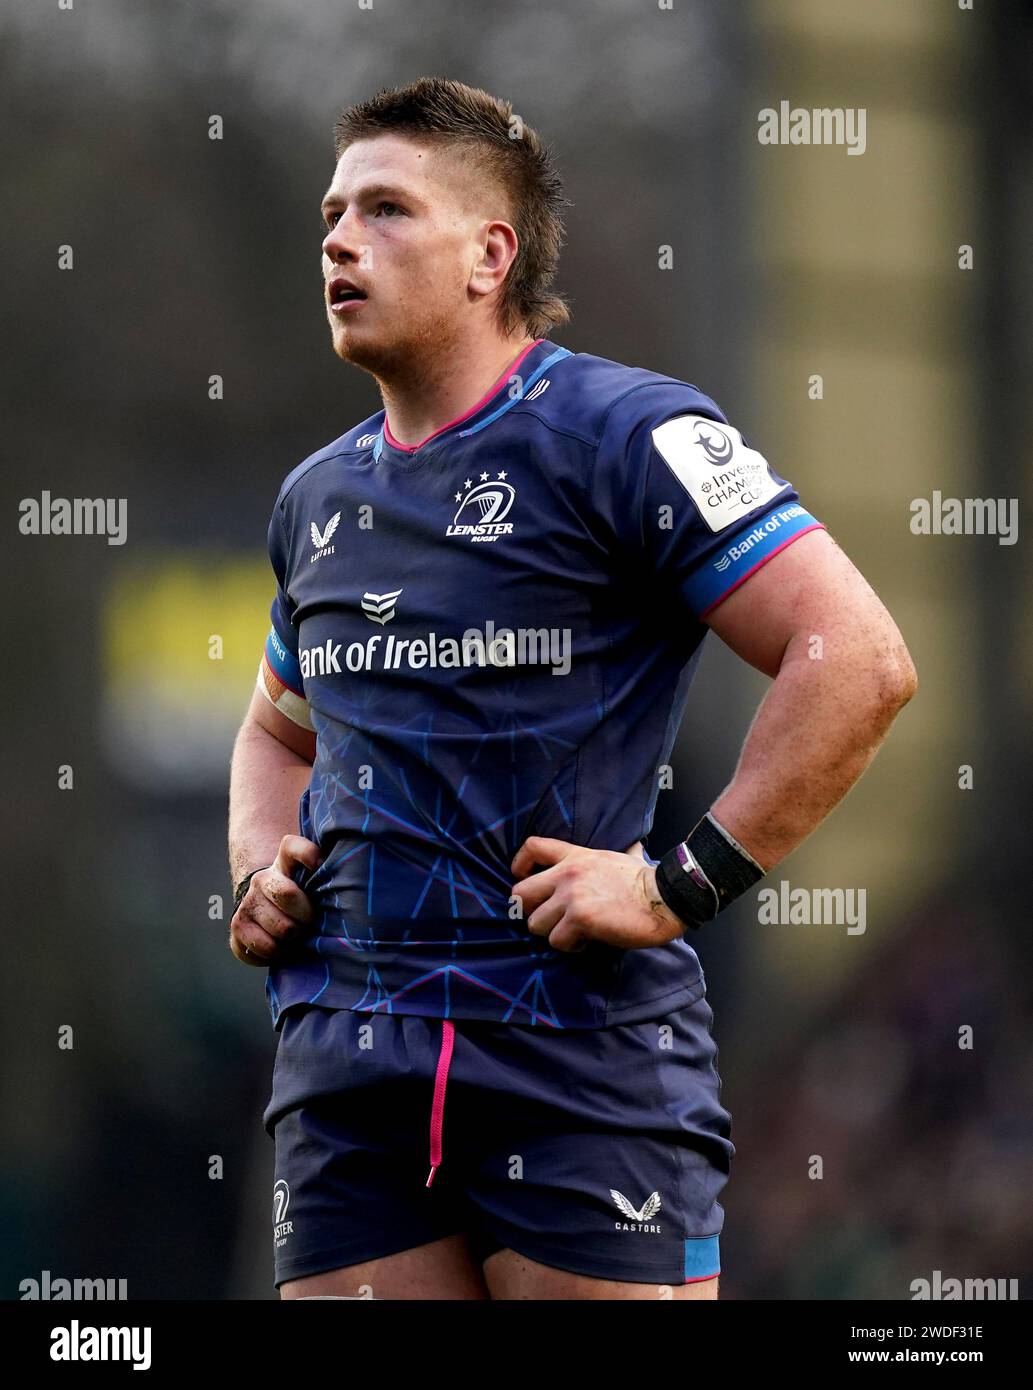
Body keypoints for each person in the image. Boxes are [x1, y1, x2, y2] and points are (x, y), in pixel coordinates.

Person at [227, 77, 917, 1301]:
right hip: (347, 1071)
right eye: (332, 213)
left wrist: (677, 882)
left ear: (491, 253)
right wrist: (257, 869)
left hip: (578, 1061)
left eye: (385, 209)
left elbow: (854, 659)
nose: (337, 238)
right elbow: (273, 735)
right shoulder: (317, 499)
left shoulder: (624, 435)